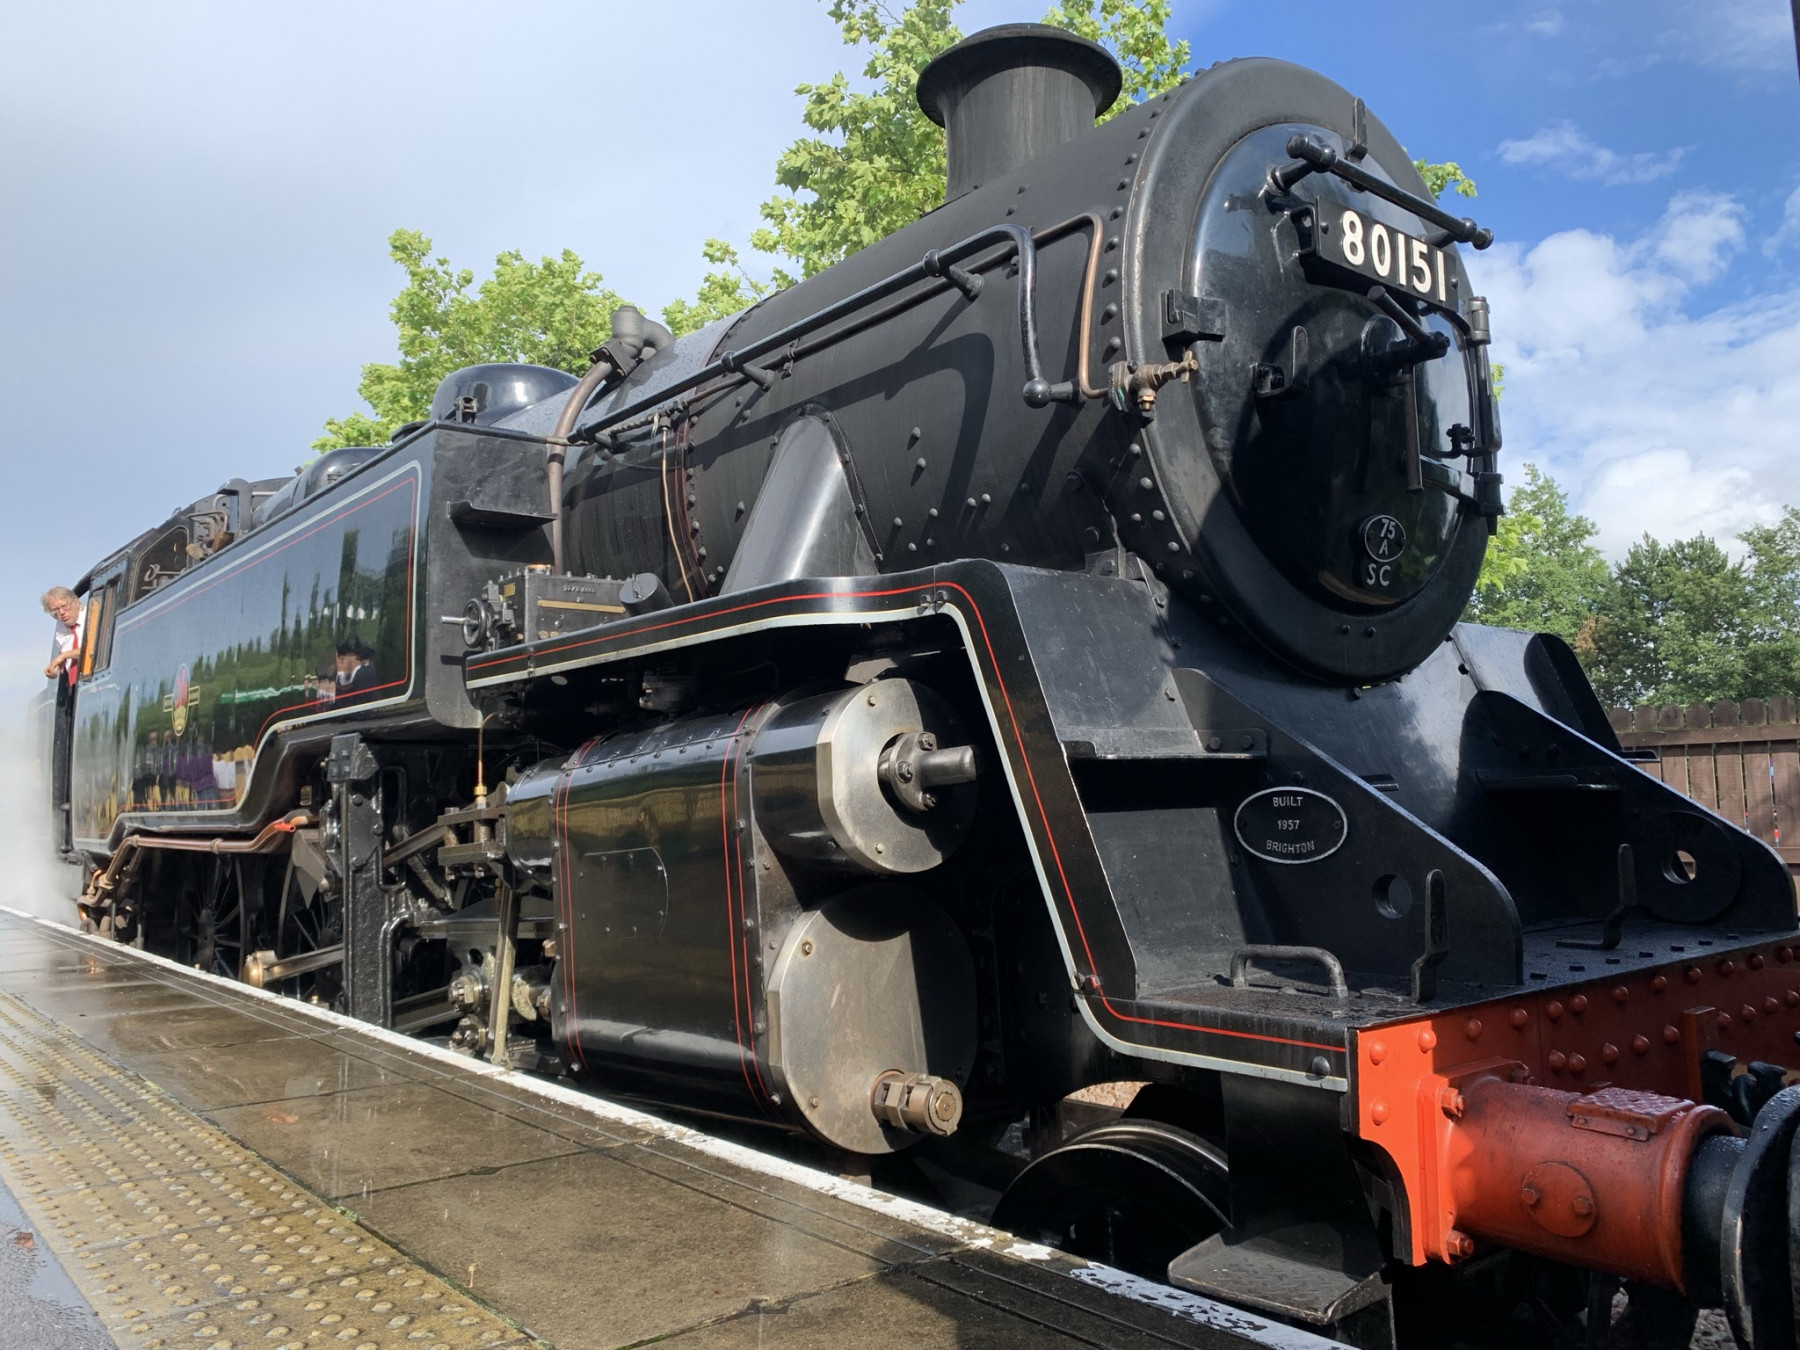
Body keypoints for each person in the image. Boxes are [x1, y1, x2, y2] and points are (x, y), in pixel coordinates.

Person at [41, 586, 83, 683]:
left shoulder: (92, 616)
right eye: (55, 610)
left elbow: (93, 649)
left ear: (76, 602)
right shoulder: (61, 629)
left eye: (65, 606)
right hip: (76, 687)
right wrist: (55, 667)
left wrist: (63, 656)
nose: (62, 612)